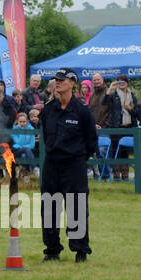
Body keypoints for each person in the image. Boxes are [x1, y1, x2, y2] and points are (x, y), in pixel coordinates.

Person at [38, 69, 98, 262]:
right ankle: (52, 249)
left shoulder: (82, 110)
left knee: (77, 206)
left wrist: (78, 158)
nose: (58, 83)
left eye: (62, 80)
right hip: (52, 165)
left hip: (74, 165)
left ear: (73, 83)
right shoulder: (48, 110)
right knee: (49, 206)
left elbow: (91, 141)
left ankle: (80, 249)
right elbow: (46, 137)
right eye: (56, 80)